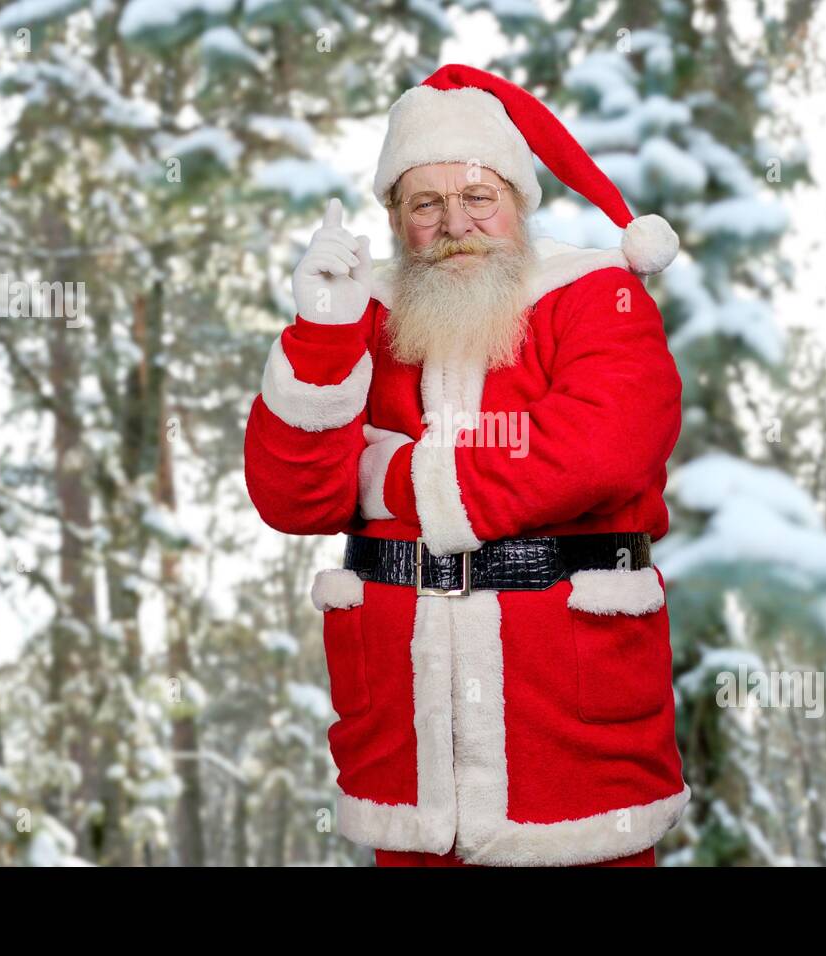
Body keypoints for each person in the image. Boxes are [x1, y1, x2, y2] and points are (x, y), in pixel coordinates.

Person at [244, 63, 689, 867]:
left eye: (479, 195)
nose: (456, 223)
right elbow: (293, 496)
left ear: (519, 201)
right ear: (394, 217)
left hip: (572, 742)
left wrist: (386, 478)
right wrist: (321, 329)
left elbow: (597, 450)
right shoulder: (367, 315)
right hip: (406, 750)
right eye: (426, 204)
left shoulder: (597, 295)